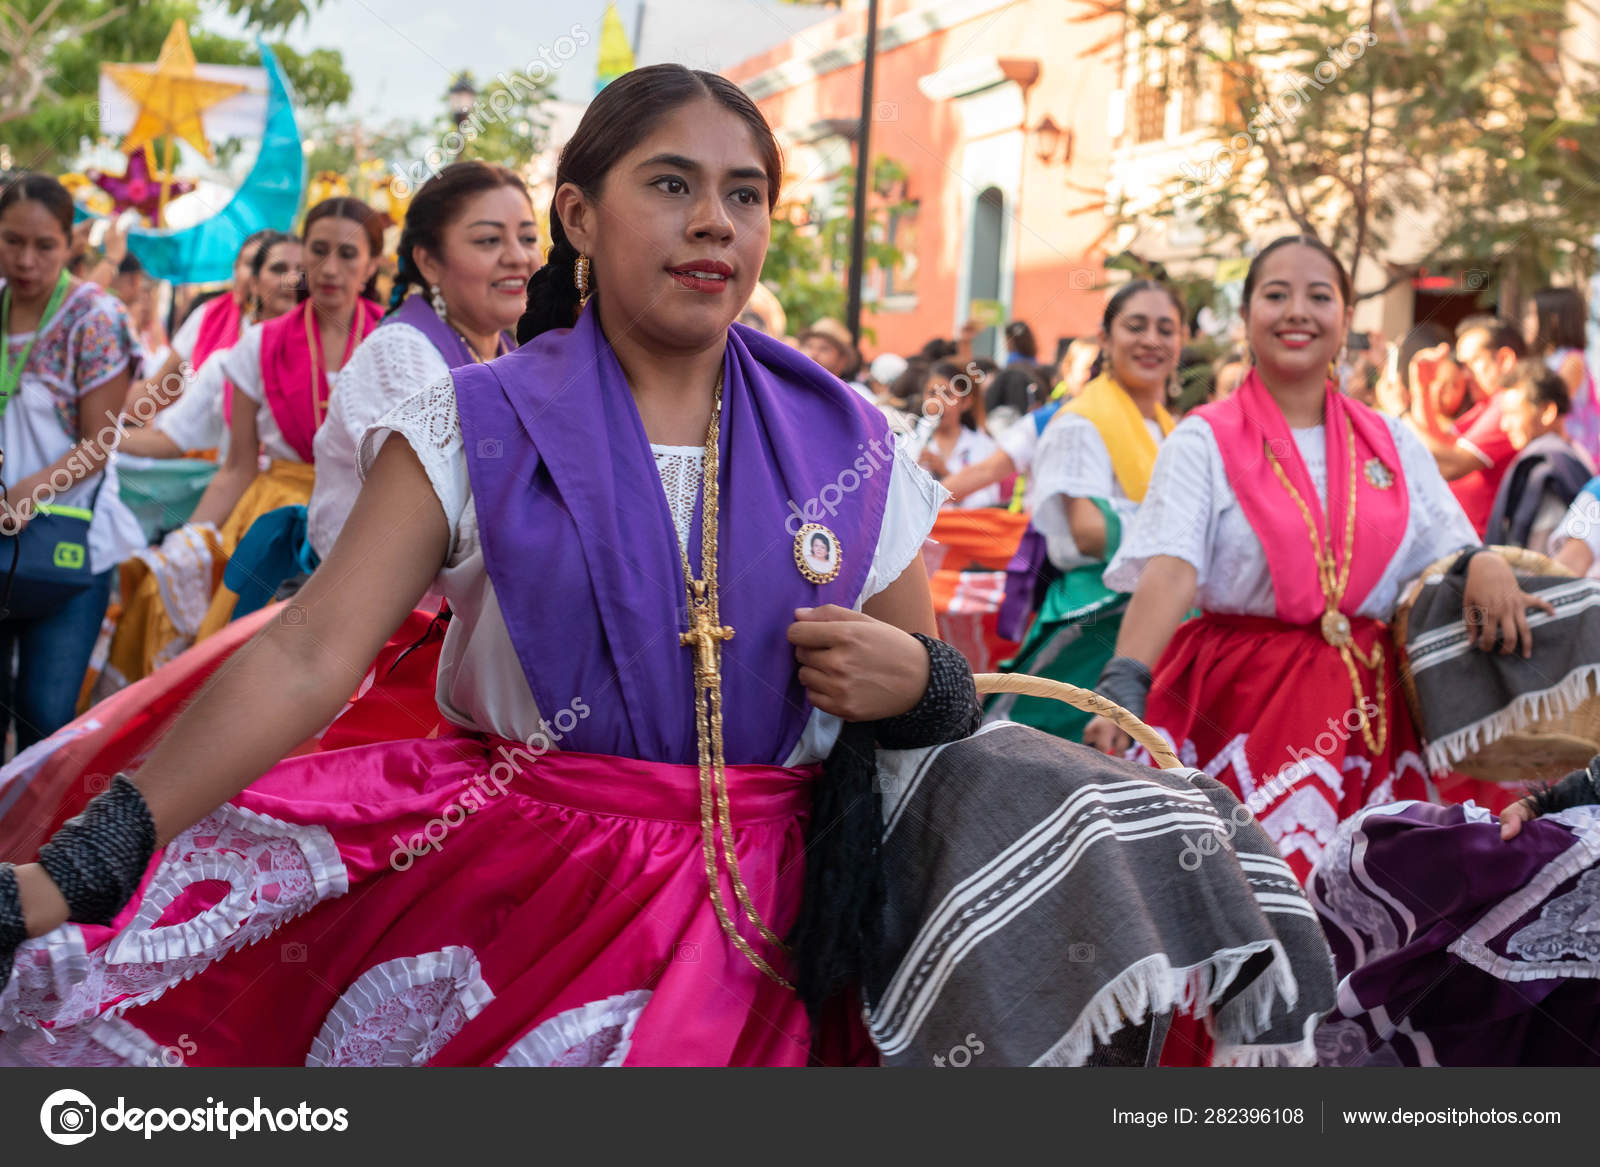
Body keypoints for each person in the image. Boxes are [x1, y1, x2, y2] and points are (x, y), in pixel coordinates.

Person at [0, 65, 952, 1067]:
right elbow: (309, 653)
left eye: (744, 193)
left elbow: (926, 687)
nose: (714, 221)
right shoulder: (471, 421)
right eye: (671, 185)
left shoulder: (853, 441)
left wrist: (924, 684)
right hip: (518, 905)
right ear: (579, 216)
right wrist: (86, 863)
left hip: (784, 935)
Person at [1083, 235, 1546, 882]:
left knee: (1373, 896)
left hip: (1373, 710)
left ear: (1345, 320)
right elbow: (1172, 568)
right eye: (1275, 295)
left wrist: (1486, 563)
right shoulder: (1202, 439)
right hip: (1242, 700)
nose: (1297, 311)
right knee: (1253, 899)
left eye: (1319, 297)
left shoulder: (1391, 440)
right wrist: (1126, 678)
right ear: (1247, 318)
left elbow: (1448, 546)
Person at [985, 280, 1181, 742]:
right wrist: (1182, 535)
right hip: (1096, 615)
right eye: (1136, 326)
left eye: (1166, 329)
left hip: (1157, 617)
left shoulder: (1167, 426)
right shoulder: (1080, 421)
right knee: (1063, 763)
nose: (1151, 340)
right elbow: (1089, 531)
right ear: (1107, 339)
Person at [0, 174, 146, 745]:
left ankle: (41, 836)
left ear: (70, 244)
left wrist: (30, 491)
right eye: (12, 241)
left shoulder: (95, 318)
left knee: (45, 710)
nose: (27, 259)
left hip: (68, 538)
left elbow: (101, 439)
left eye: (45, 245)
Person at [117, 232, 305, 463]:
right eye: (277, 269)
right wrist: (98, 413)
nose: (292, 280)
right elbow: (160, 393)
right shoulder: (213, 331)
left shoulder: (328, 349)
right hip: (203, 466)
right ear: (246, 275)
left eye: (301, 271)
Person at [1409, 316, 1529, 536]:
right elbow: (1437, 448)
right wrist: (1421, 390)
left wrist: (1401, 411)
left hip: (1477, 548)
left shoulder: (1507, 406)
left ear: (1504, 359)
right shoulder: (1487, 404)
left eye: (1472, 362)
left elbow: (1449, 466)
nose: (1465, 374)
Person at [1485, 361, 1593, 552]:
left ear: (1547, 412)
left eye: (1512, 414)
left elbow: (1538, 560)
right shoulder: (1578, 455)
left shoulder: (1543, 467)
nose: (1504, 425)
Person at [1526, 286, 1599, 465]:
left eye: (1533, 314)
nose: (1527, 321)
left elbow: (1552, 399)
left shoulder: (1572, 360)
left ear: (1554, 320)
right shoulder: (1551, 357)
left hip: (1576, 452)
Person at [914, 360, 1000, 508]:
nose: (938, 402)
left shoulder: (984, 445)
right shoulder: (909, 443)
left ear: (966, 402)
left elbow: (988, 500)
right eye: (932, 393)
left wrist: (946, 474)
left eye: (947, 394)